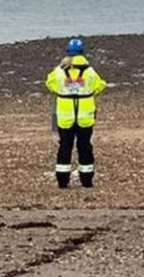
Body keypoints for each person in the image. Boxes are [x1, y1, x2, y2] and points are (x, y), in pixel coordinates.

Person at [45, 38, 107, 188]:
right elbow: (100, 86)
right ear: (82, 53)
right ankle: (86, 180)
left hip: (65, 116)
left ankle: (62, 181)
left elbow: (49, 84)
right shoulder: (90, 72)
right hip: (85, 116)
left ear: (68, 53)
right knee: (85, 146)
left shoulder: (59, 72)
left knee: (65, 146)